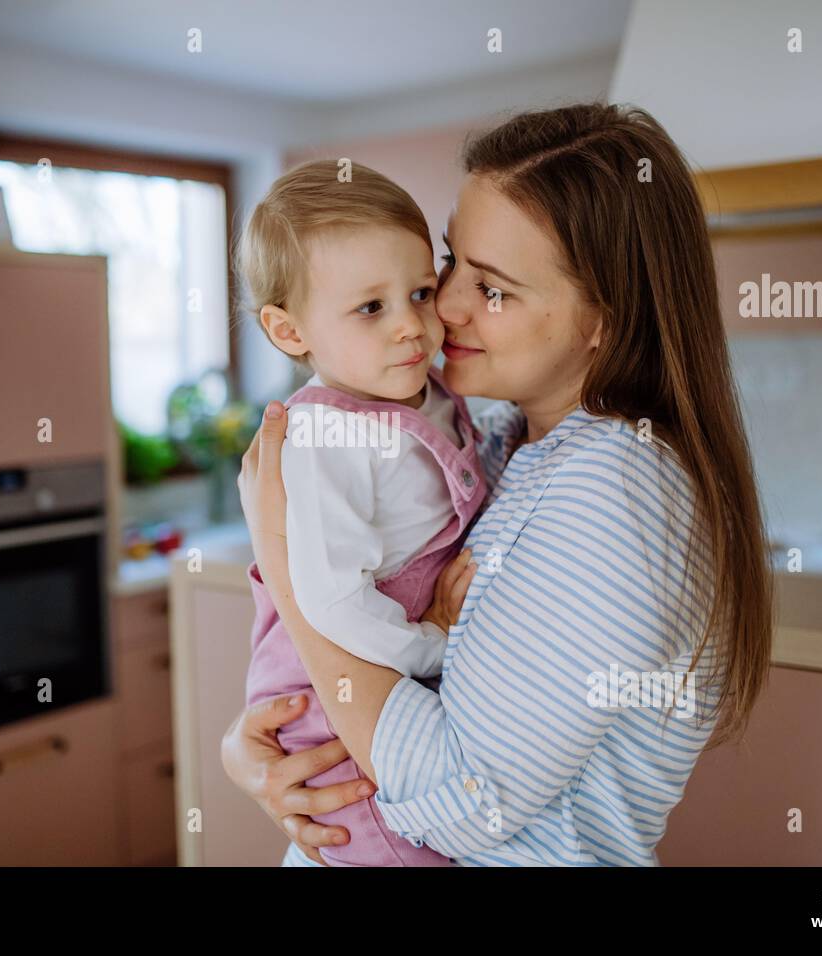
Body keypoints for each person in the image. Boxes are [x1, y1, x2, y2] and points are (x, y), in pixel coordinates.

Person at [225, 103, 773, 866]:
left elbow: (463, 802)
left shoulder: (617, 490)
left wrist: (285, 564)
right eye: (452, 261)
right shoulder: (500, 443)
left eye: (493, 288)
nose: (441, 306)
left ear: (603, 323)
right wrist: (257, 742)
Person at [237, 159, 487, 865]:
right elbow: (334, 602)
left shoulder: (427, 390)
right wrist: (437, 641)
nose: (411, 326)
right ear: (290, 333)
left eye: (419, 291)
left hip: (388, 672)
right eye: (371, 308)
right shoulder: (325, 438)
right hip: (330, 714)